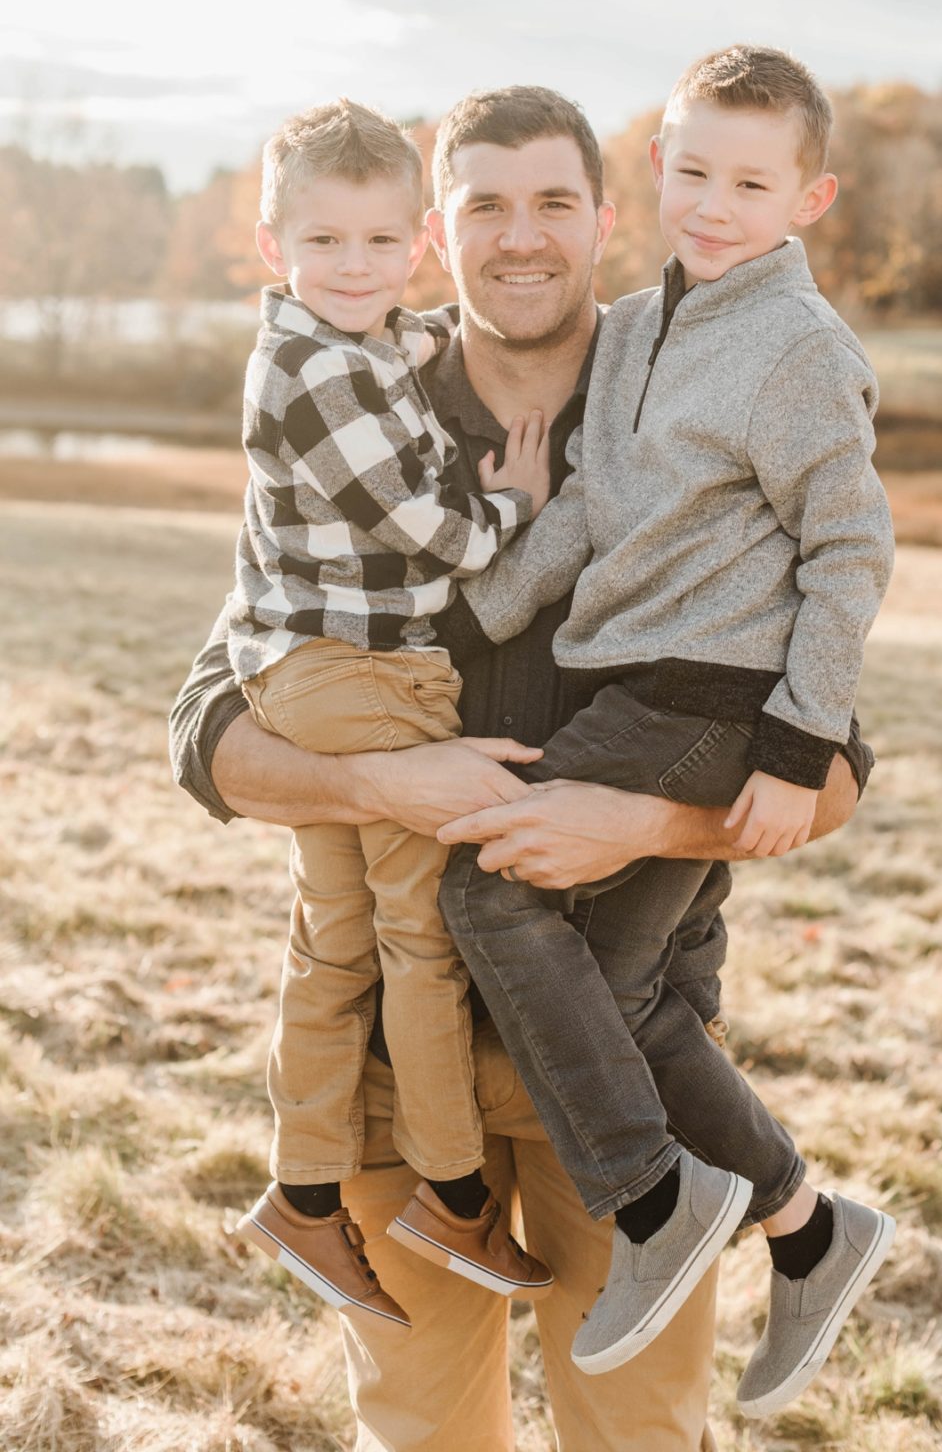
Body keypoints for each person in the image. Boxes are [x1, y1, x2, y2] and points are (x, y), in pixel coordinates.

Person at [169, 83, 873, 1452]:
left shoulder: (692, 395)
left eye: (555, 200)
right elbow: (212, 733)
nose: (521, 236)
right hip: (396, 1080)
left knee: (637, 1438)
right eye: (484, 203)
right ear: (436, 230)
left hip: (615, 1073)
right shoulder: (356, 397)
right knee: (427, 1438)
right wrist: (387, 786)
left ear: (611, 218)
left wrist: (643, 820)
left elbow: (830, 766)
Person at [432, 47, 896, 1412]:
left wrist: (797, 745)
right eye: (692, 170)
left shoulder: (805, 352)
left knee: (491, 889)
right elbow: (589, 507)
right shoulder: (634, 327)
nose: (713, 202)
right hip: (634, 680)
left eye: (750, 182)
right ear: (656, 165)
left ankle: (650, 1201)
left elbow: (850, 554)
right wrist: (486, 599)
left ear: (809, 197)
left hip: (714, 696)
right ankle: (809, 1227)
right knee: (622, 992)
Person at [225, 96, 554, 1323]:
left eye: (376, 243)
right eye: (324, 245)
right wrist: (514, 501)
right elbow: (426, 531)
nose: (351, 268)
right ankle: (452, 1191)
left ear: (414, 242)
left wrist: (425, 336)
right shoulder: (309, 366)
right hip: (356, 675)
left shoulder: (356, 341)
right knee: (417, 933)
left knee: (337, 934)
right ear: (276, 251)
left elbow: (403, 347)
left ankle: (305, 1195)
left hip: (324, 670)